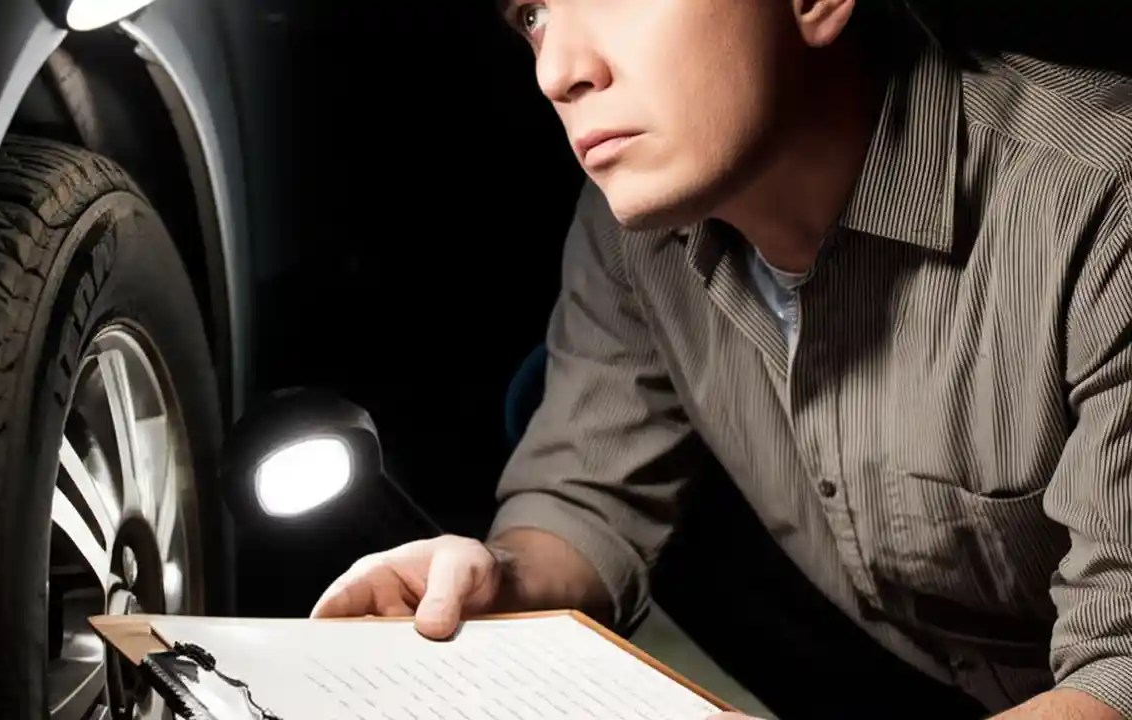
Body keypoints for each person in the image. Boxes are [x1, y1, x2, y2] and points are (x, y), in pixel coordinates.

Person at [312, 1, 1132, 717]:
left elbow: (1121, 673)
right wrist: (495, 579)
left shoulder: (1106, 204)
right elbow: (590, 501)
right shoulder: (630, 233)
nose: (558, 72)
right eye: (533, 16)